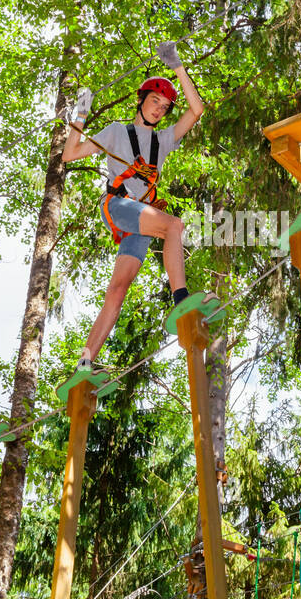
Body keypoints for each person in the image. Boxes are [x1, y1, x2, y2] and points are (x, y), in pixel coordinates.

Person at [62, 42, 205, 372]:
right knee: (174, 226)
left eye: (166, 106)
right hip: (118, 205)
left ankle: (86, 361)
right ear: (141, 101)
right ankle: (181, 300)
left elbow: (196, 110)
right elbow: (70, 154)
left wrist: (178, 67)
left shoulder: (164, 140)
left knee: (119, 287)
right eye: (155, 101)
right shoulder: (116, 132)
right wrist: (81, 115)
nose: (159, 110)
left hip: (140, 218)